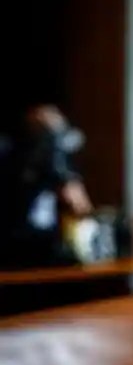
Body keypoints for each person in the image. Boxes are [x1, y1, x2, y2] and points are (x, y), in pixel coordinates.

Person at [0, 105, 93, 269]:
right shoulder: (48, 156)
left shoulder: (15, 152)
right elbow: (79, 205)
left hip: (25, 241)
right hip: (30, 243)